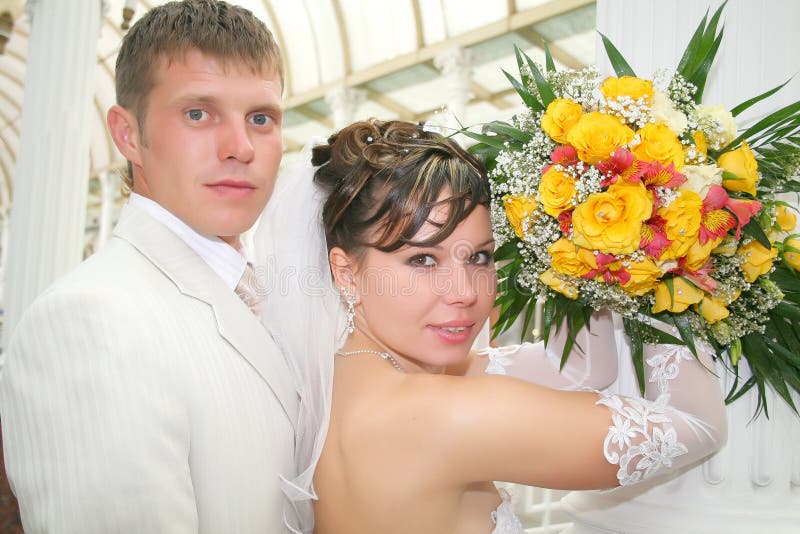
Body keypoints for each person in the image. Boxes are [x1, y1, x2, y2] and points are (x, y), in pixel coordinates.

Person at [260, 119, 728, 534]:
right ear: (345, 271)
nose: (464, 291)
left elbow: (578, 372)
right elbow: (698, 427)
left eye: (479, 257)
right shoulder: (445, 413)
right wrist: (666, 252)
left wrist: (591, 247)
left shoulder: (348, 381)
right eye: (423, 259)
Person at [0, 1, 298, 532]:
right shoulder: (89, 322)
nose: (241, 147)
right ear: (128, 134)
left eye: (261, 118)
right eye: (198, 113)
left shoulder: (278, 295)